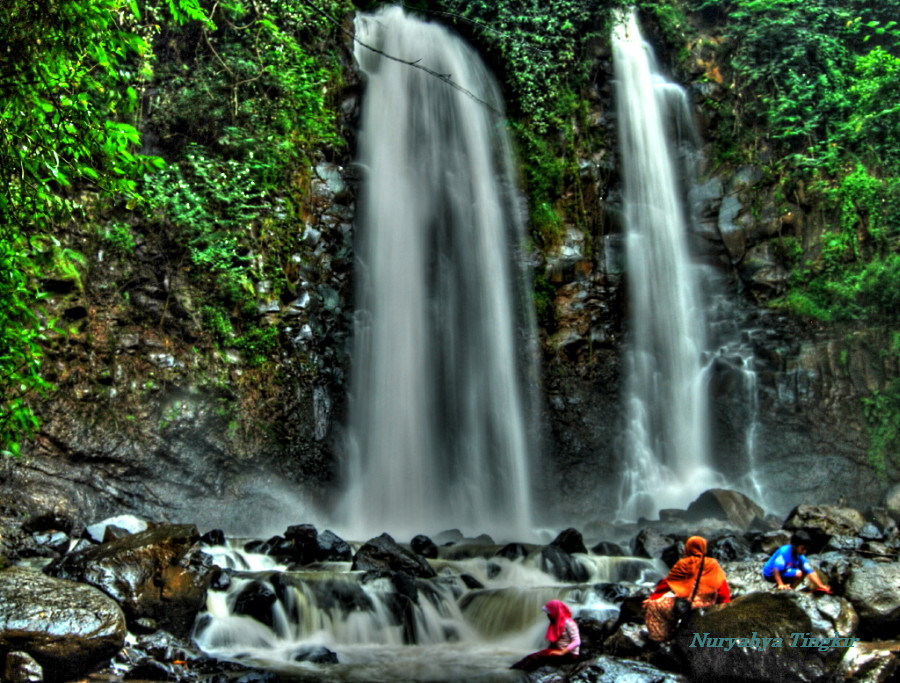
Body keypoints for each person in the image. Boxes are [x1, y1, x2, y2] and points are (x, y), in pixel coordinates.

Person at [643, 535, 731, 642]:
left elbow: (665, 585)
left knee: (654, 607)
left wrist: (652, 598)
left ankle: (661, 637)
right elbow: (722, 591)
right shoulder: (712, 565)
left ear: (687, 548)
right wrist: (724, 608)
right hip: (707, 607)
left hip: (684, 607)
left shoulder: (683, 564)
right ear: (703, 548)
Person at [510, 599, 581, 671]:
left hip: (568, 655)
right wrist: (549, 650)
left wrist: (562, 652)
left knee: (536, 657)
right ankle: (514, 668)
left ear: (555, 612)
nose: (547, 616)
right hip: (559, 650)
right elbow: (556, 639)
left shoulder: (569, 623)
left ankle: (519, 671)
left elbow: (577, 641)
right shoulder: (557, 622)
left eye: (549, 613)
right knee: (532, 656)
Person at [762, 530, 832, 593]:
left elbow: (811, 572)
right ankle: (781, 587)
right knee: (798, 573)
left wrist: (821, 585)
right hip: (770, 574)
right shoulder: (784, 552)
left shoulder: (801, 556)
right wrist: (780, 584)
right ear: (794, 545)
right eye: (803, 549)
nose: (805, 551)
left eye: (806, 549)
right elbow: (775, 569)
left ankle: (791, 589)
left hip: (784, 571)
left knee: (804, 571)